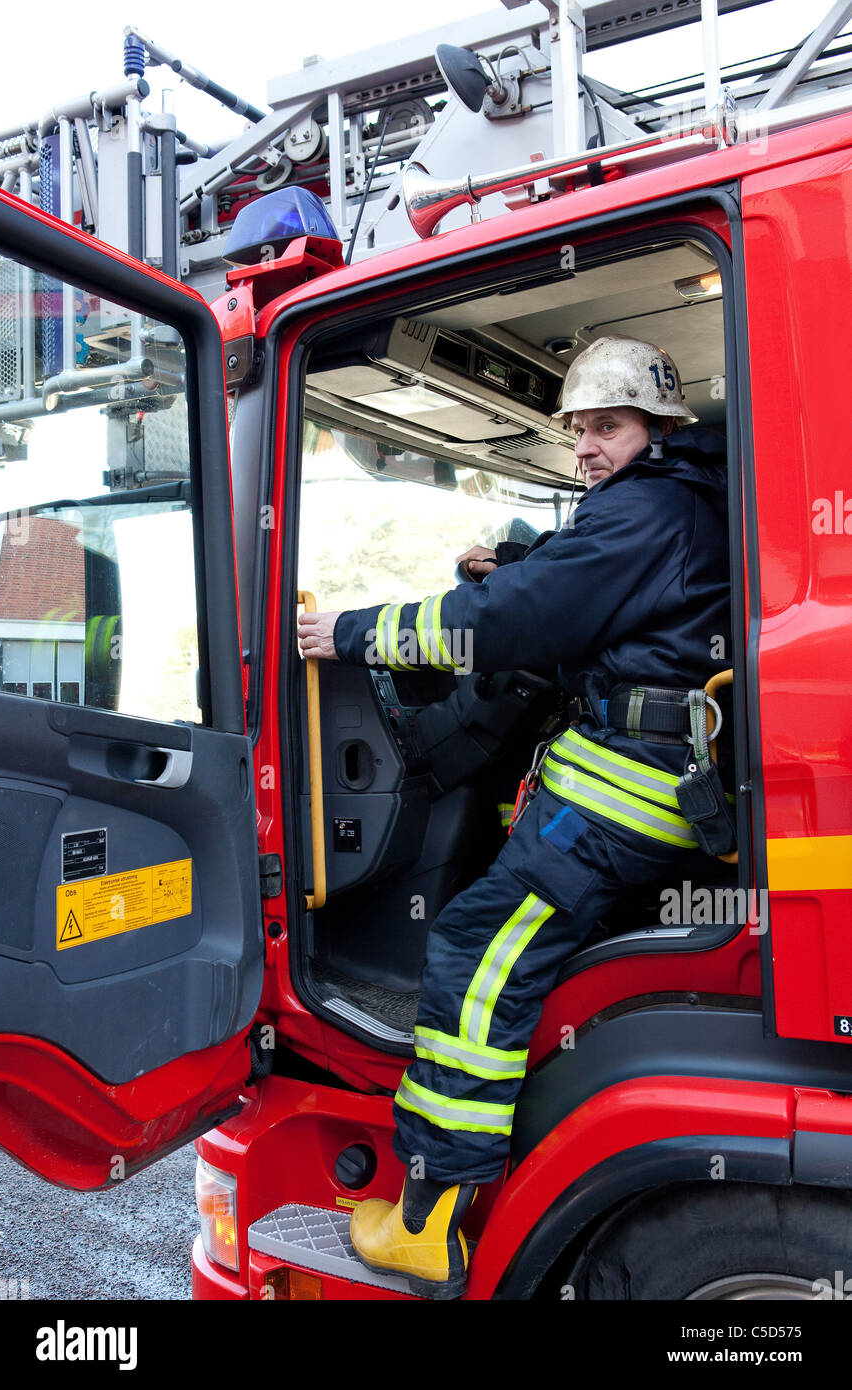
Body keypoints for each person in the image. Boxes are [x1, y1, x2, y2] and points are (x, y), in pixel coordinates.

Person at [297, 335, 732, 1298]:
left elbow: (514, 627)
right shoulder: (684, 503)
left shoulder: (645, 507)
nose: (585, 445)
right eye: (578, 428)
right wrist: (524, 566)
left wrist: (353, 632)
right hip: (661, 782)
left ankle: (431, 1215)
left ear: (657, 429)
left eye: (606, 426)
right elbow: (591, 604)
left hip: (622, 789)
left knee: (470, 950)